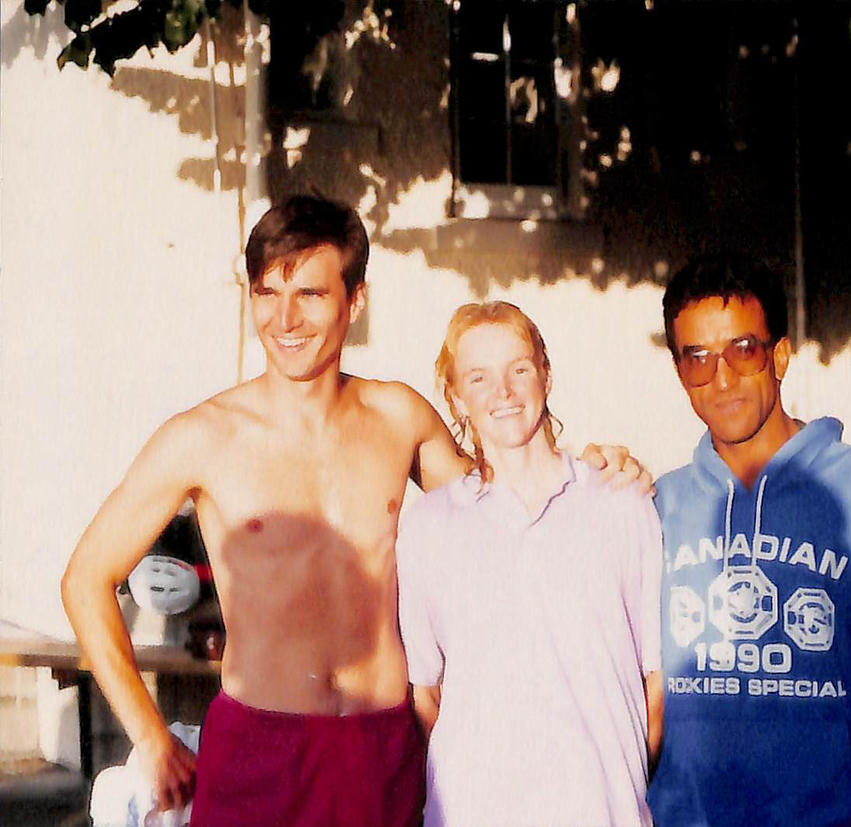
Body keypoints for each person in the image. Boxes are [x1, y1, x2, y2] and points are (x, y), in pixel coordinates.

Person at [60, 196, 648, 827]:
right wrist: (149, 737)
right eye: (267, 293)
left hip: (381, 750)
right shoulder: (202, 436)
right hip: (259, 747)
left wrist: (597, 465)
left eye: (310, 294)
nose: (285, 319)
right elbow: (86, 579)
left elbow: (505, 503)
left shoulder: (400, 419)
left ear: (355, 301)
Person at [647, 255, 851, 826]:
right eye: (698, 359)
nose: (723, 378)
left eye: (743, 350)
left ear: (779, 356)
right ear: (680, 372)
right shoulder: (657, 507)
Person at [397, 301, 664, 827]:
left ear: (545, 374)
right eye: (479, 377)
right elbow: (426, 696)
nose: (504, 392)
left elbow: (655, 686)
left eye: (519, 369)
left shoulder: (622, 502)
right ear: (454, 396)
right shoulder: (428, 527)